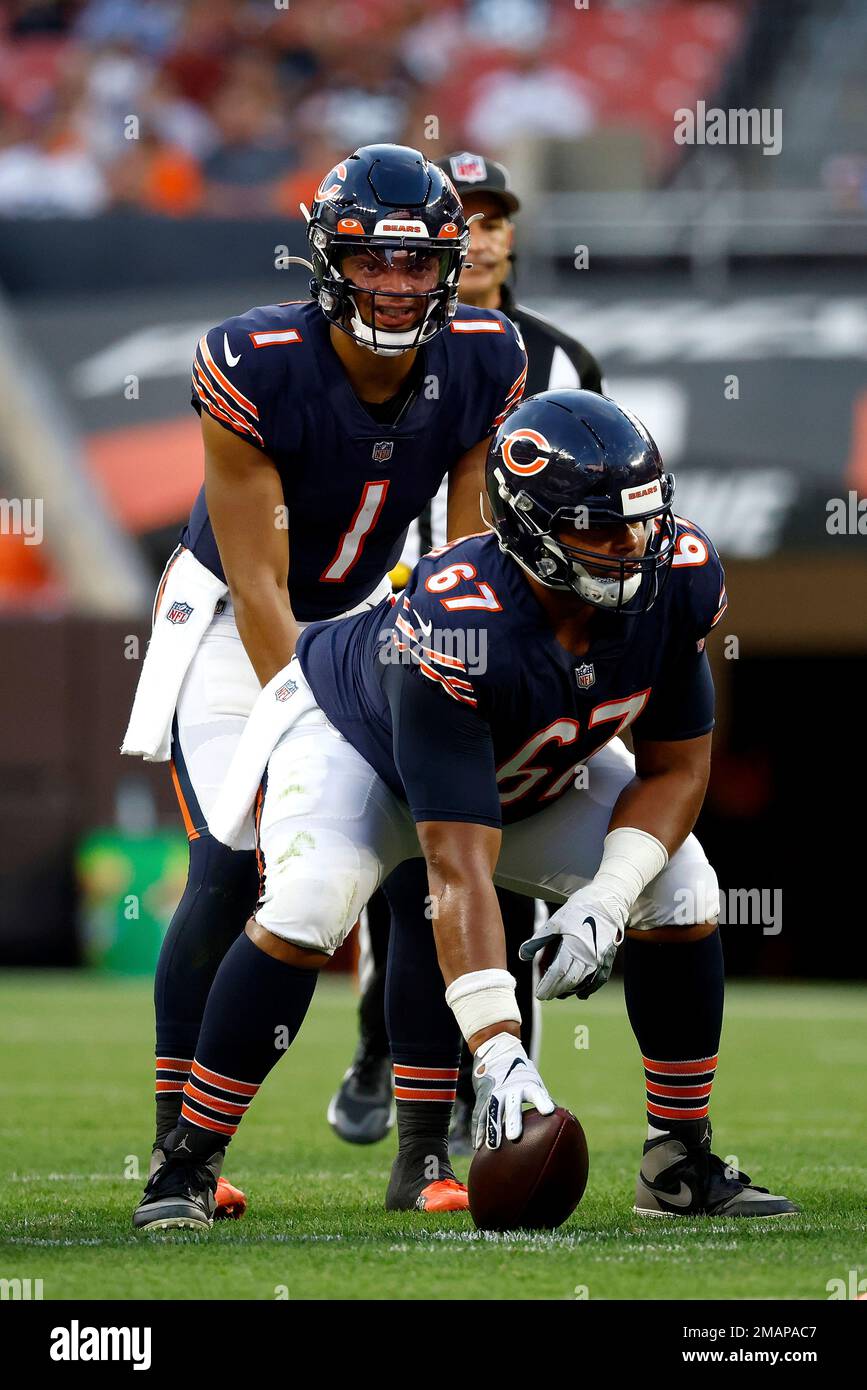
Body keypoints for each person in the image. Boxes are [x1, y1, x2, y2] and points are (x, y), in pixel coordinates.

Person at [132, 388, 798, 1228]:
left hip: (517, 772)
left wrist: (602, 899)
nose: (630, 544)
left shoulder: (680, 578)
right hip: (355, 748)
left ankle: (676, 1161)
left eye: (641, 519)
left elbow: (674, 771)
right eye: (599, 526)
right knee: (306, 905)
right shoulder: (458, 622)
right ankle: (186, 1161)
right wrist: (498, 1053)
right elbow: (455, 870)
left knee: (682, 890)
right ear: (527, 528)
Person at [123, 143, 527, 1229]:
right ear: (328, 257)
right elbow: (259, 578)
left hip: (367, 619)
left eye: (417, 263)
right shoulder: (254, 358)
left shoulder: (488, 357)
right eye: (371, 259)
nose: (396, 285)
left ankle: (423, 1150)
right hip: (228, 624)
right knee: (233, 864)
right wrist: (309, 722)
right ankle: (180, 1153)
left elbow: (470, 546)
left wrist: (471, 668)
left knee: (421, 863)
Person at [329, 150, 604, 1153]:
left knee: (489, 870)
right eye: (466, 218)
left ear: (508, 236)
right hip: (399, 611)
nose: (481, 235)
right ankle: (400, 1083)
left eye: (495, 219)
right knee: (413, 879)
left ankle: (495, 1093)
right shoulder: (372, 335)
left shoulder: (559, 358)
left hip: (515, 621)